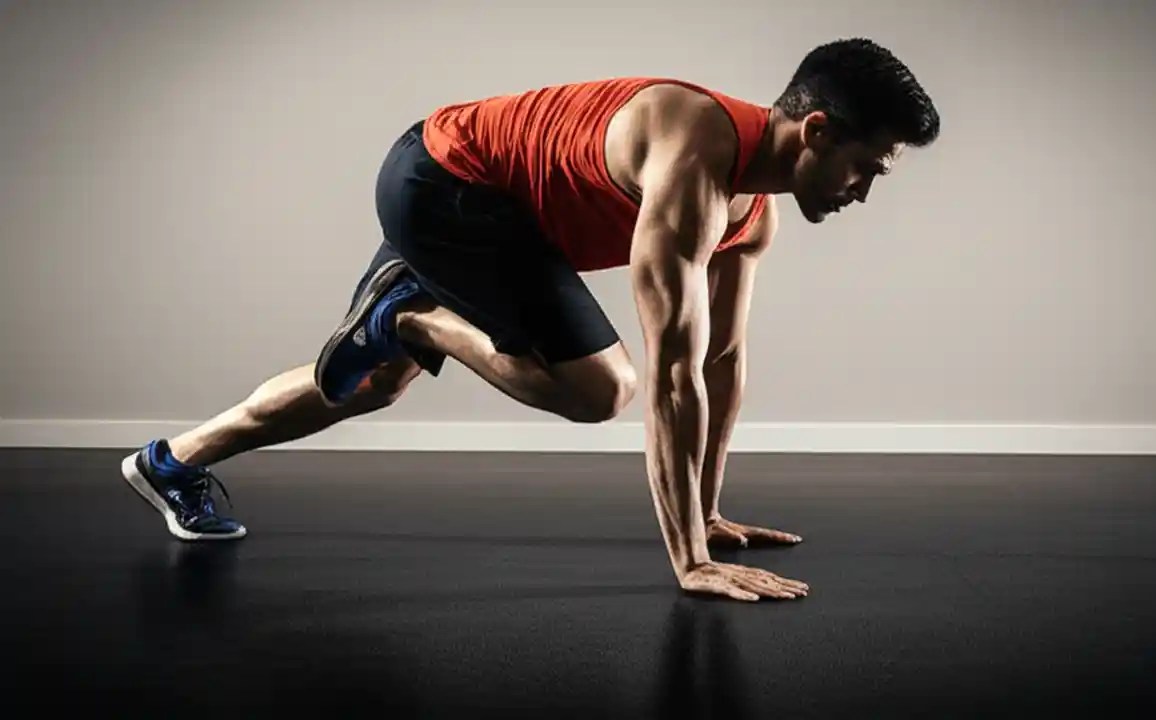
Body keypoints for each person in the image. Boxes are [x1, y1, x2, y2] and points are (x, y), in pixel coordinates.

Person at [119, 37, 940, 603]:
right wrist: (689, 557)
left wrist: (711, 512)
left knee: (368, 385)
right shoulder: (694, 158)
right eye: (864, 169)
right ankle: (417, 316)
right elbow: (672, 376)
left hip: (495, 204)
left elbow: (721, 361)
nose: (864, 193)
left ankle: (169, 462)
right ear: (817, 131)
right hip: (446, 181)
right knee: (601, 388)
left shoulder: (752, 214)